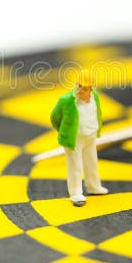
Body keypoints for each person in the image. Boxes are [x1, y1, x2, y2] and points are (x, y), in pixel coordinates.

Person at [50, 69, 108, 207]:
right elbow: (54, 118)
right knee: (75, 166)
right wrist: (66, 132)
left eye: (86, 87)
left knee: (92, 163)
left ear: (91, 87)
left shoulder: (95, 96)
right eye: (80, 86)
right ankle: (76, 193)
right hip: (74, 139)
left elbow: (97, 113)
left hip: (91, 137)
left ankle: (93, 186)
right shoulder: (66, 100)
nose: (83, 90)